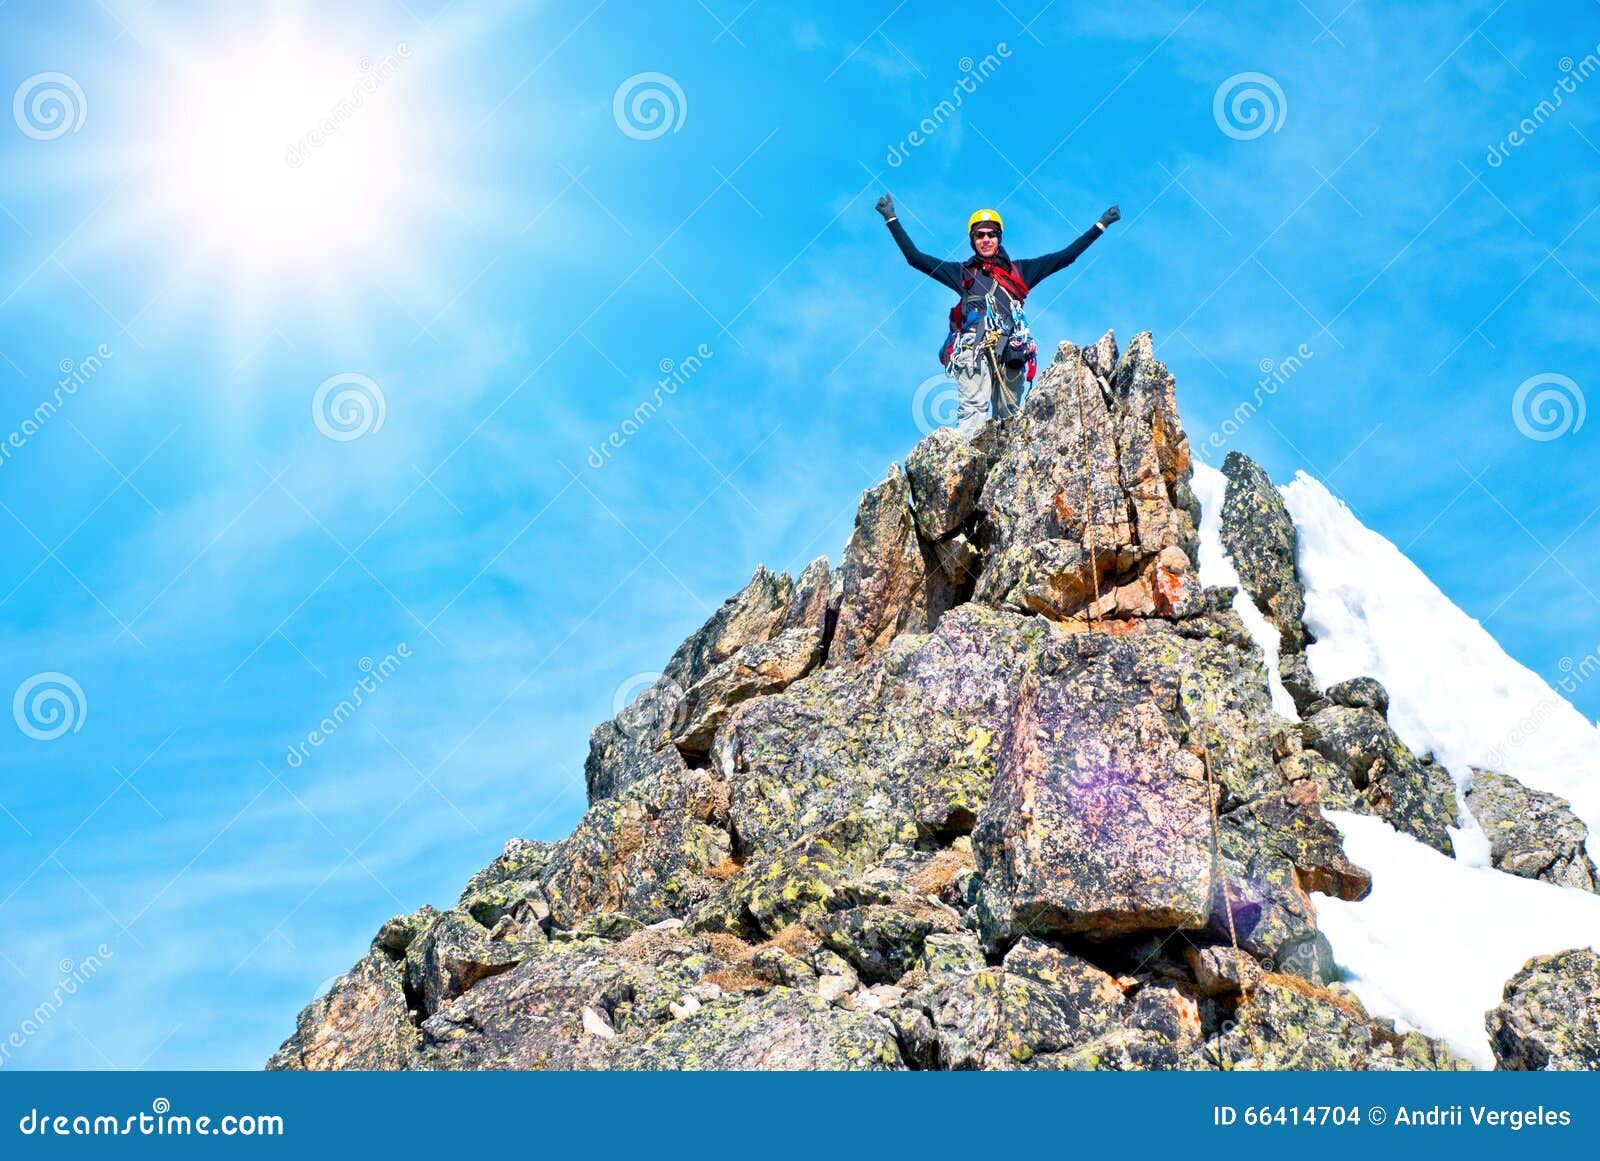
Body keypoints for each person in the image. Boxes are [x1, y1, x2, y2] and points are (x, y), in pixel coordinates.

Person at [876, 194, 1120, 437]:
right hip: (974, 347)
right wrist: (891, 219)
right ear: (973, 240)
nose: (985, 240)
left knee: (1009, 416)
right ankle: (967, 455)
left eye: (990, 234)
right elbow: (916, 259)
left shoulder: (1020, 271)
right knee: (973, 409)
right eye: (979, 235)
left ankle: (1005, 457)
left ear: (998, 238)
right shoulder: (963, 273)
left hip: (1011, 348)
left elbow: (1065, 257)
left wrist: (1101, 225)